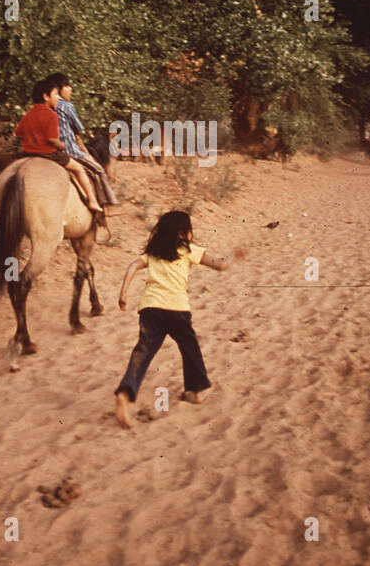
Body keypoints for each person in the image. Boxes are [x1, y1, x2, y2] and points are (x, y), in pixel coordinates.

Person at [112, 210, 244, 429]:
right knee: (189, 347)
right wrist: (234, 255)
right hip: (177, 309)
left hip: (150, 308)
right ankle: (196, 391)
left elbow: (132, 266)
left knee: (143, 352)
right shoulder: (189, 250)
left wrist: (123, 294)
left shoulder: (153, 253)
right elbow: (220, 265)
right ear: (183, 233)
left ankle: (125, 393)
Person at [14, 77, 105, 221]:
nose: (58, 98)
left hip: (28, 154)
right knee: (79, 169)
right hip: (49, 154)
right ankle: (93, 200)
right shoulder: (51, 114)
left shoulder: (28, 115)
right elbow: (51, 139)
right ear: (46, 97)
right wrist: (61, 145)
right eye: (56, 94)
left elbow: (18, 133)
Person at [45, 72, 119, 209]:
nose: (70, 89)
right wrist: (82, 148)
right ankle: (106, 206)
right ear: (58, 89)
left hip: (48, 150)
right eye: (66, 85)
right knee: (98, 170)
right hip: (70, 150)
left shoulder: (46, 105)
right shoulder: (67, 106)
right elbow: (77, 130)